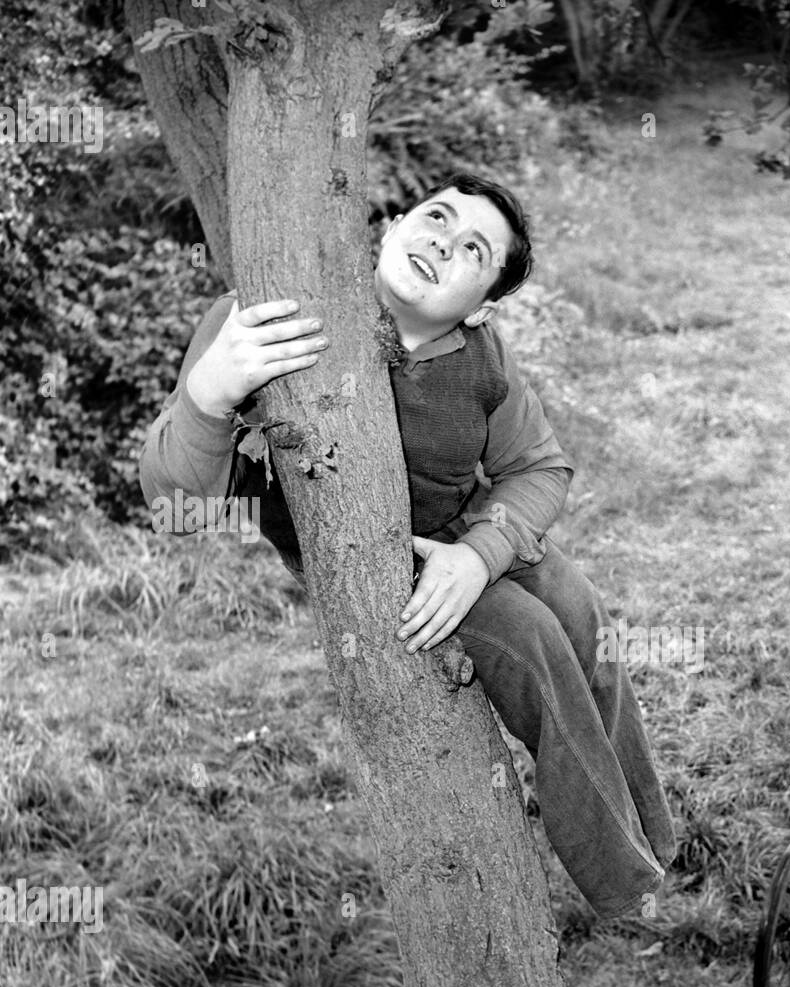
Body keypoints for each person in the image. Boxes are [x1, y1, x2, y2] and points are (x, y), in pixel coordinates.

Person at [139, 172, 677, 920]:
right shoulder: (271, 321)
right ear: (393, 223)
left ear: (483, 303)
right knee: (534, 642)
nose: (441, 243)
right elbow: (174, 503)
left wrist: (482, 553)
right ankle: (625, 878)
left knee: (582, 613)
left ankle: (658, 830)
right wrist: (210, 392)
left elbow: (540, 467)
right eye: (437, 218)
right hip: (379, 559)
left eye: (472, 249)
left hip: (465, 531)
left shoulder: (482, 354)